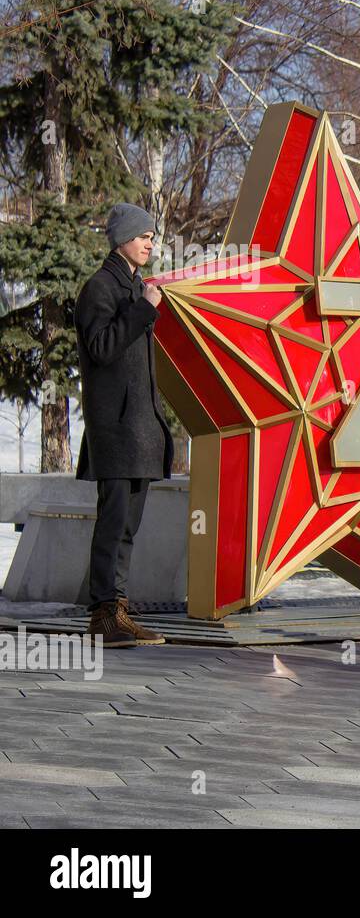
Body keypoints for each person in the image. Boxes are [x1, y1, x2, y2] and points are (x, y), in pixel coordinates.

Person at [74, 202, 174, 648]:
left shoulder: (136, 289)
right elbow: (101, 348)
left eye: (152, 236)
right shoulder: (99, 288)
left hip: (138, 431)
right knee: (113, 523)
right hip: (114, 431)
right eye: (142, 236)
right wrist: (144, 310)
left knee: (128, 529)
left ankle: (118, 613)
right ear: (121, 241)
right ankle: (102, 616)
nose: (150, 242)